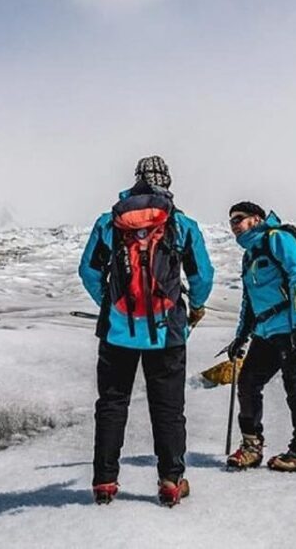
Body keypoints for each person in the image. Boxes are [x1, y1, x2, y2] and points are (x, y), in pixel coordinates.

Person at [78, 156, 214, 506]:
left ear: (136, 180)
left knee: (112, 403)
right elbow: (202, 277)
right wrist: (194, 307)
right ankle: (171, 480)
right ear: (167, 181)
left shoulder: (110, 222)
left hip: (117, 332)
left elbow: (89, 271)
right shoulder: (181, 224)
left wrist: (112, 305)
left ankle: (105, 482)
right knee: (168, 407)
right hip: (167, 331)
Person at [224, 201, 296, 473]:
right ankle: (252, 446)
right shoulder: (250, 254)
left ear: (256, 219)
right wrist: (241, 336)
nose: (233, 225)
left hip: (291, 328)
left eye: (238, 218)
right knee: (248, 382)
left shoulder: (277, 239)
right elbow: (248, 300)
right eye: (231, 221)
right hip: (266, 332)